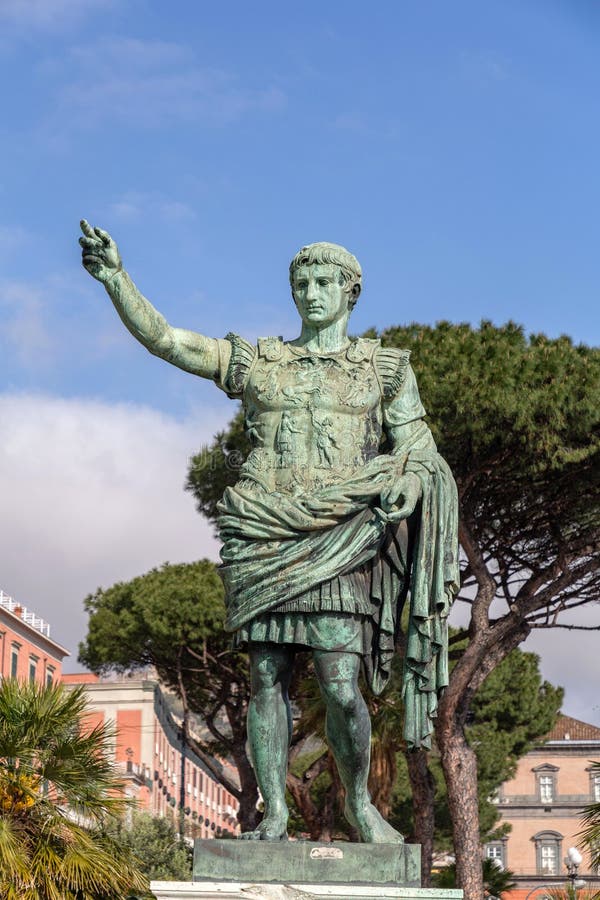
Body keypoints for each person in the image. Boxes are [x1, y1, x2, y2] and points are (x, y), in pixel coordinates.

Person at [80, 220, 459, 843]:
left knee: (341, 685)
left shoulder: (384, 370)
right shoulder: (262, 362)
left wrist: (410, 482)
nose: (310, 293)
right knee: (264, 679)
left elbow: (420, 450)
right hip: (263, 533)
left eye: (324, 282)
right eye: (301, 282)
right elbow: (172, 343)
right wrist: (118, 280)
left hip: (341, 536)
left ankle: (359, 804)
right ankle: (276, 814)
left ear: (350, 292)